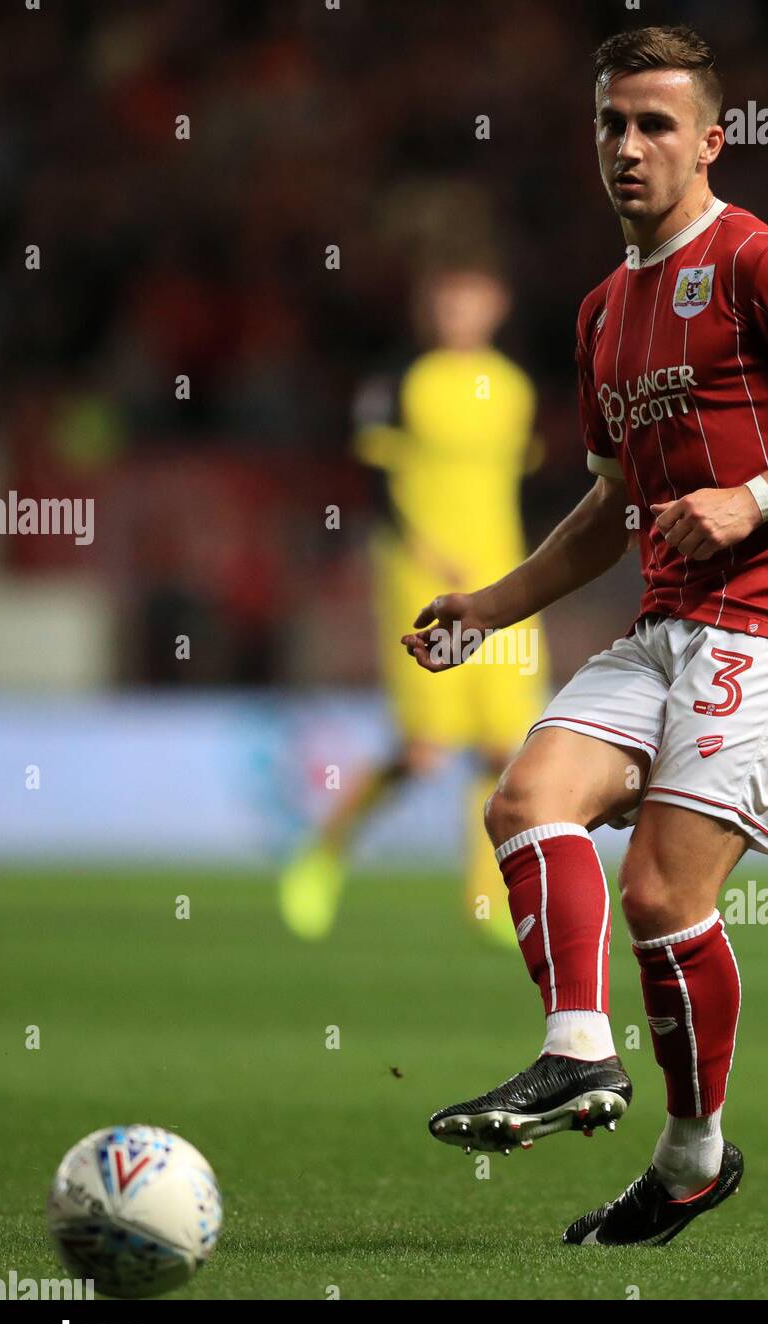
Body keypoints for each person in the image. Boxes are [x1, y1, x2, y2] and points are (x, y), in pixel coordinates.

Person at [403, 24, 768, 1246]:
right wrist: (490, 605)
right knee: (525, 800)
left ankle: (690, 1156)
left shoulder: (756, 259)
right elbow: (608, 511)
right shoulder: (601, 314)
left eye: (652, 123)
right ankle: (579, 1055)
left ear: (708, 138)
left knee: (655, 894)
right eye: (608, 124)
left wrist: (750, 498)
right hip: (667, 622)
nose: (627, 146)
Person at [280, 260, 547, 946]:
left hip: (504, 581)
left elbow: (523, 488)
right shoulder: (400, 381)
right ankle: (325, 853)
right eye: (446, 299)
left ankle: (487, 897)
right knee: (426, 752)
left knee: (504, 748)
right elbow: (374, 485)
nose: (458, 311)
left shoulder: (514, 389)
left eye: (471, 297)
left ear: (497, 302)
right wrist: (423, 550)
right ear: (430, 307)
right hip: (419, 578)